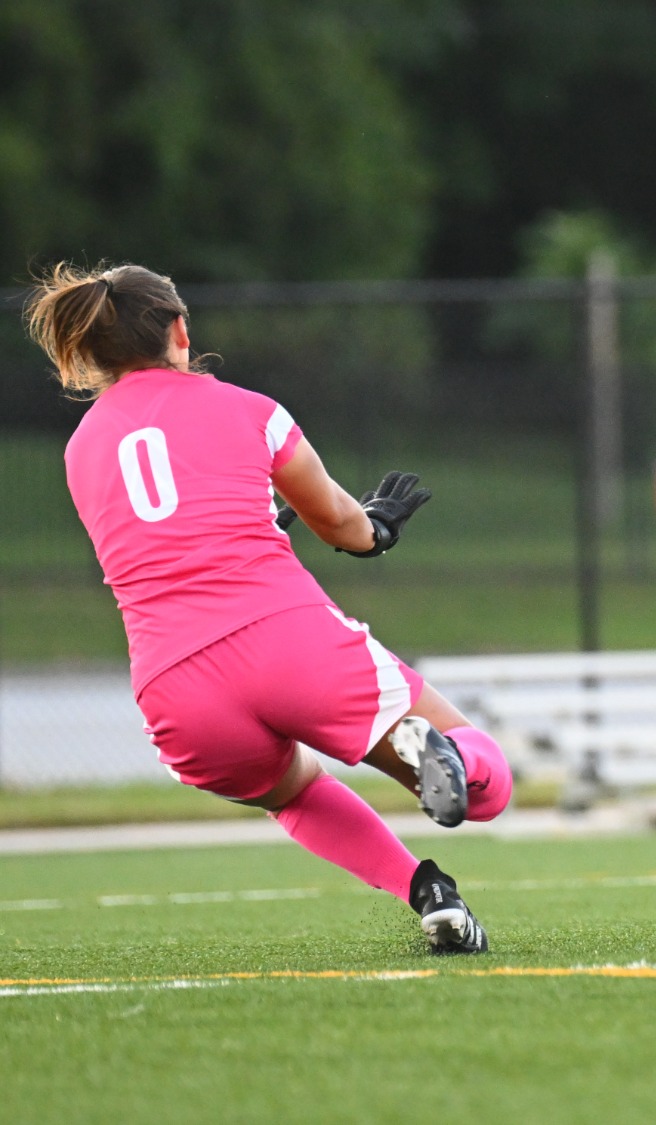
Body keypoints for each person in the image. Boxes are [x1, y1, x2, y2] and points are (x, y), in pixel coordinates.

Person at [28, 263, 513, 954]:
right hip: (283, 637)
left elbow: (160, 545)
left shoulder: (78, 451)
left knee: (292, 794)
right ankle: (443, 758)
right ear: (179, 330)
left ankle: (431, 895)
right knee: (487, 781)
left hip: (174, 686)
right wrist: (378, 528)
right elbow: (344, 524)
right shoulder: (249, 408)